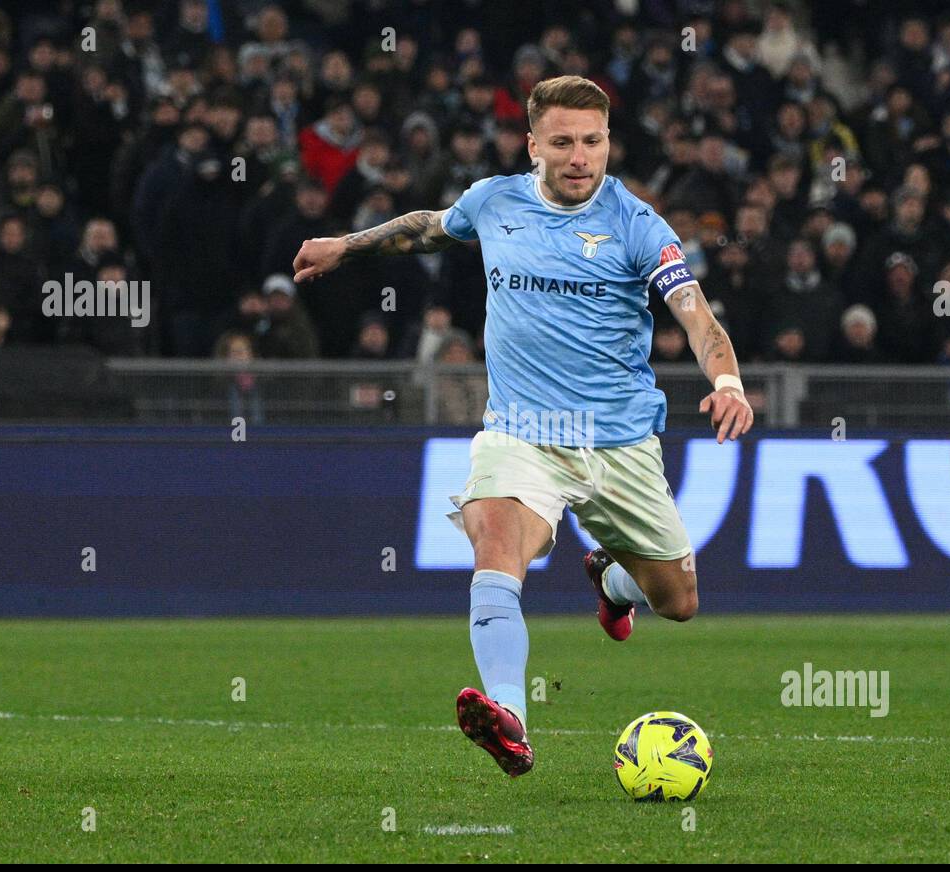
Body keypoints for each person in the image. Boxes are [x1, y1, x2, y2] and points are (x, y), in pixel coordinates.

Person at [292, 76, 753, 777]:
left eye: (592, 141)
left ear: (607, 143)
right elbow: (424, 227)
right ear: (532, 144)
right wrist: (345, 245)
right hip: (522, 433)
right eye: (563, 142)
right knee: (495, 539)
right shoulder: (494, 201)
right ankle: (509, 716)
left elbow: (697, 317)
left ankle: (611, 580)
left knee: (678, 600)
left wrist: (727, 383)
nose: (579, 157)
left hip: (619, 444)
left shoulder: (636, 225)